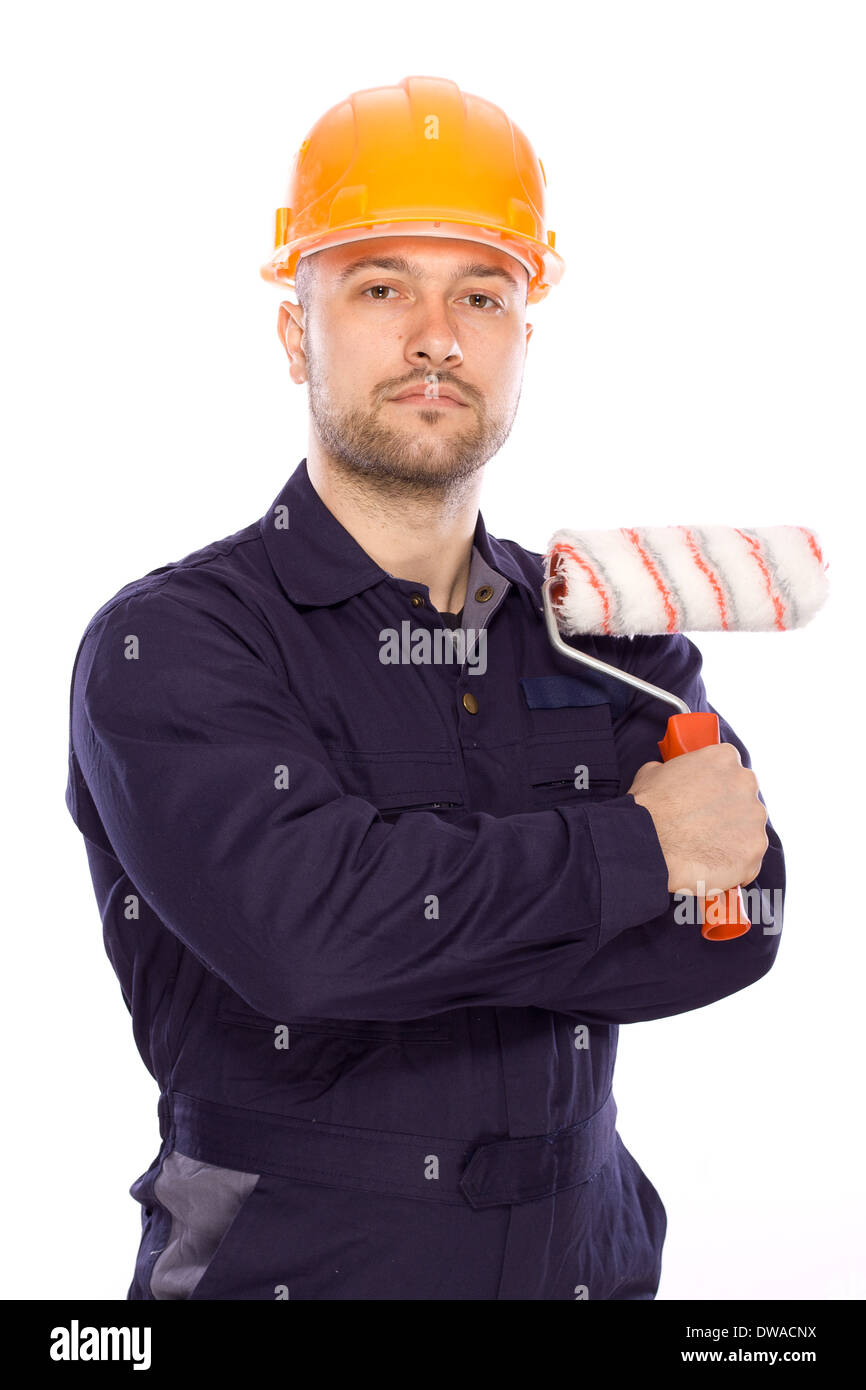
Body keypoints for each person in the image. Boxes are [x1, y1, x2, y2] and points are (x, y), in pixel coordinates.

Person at [65, 75, 781, 1301]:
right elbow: (304, 947)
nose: (435, 335)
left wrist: (401, 917)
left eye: (480, 293)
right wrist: (626, 855)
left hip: (587, 1271)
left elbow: (735, 926)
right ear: (297, 329)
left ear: (520, 333)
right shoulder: (173, 646)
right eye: (381, 285)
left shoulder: (601, 629)